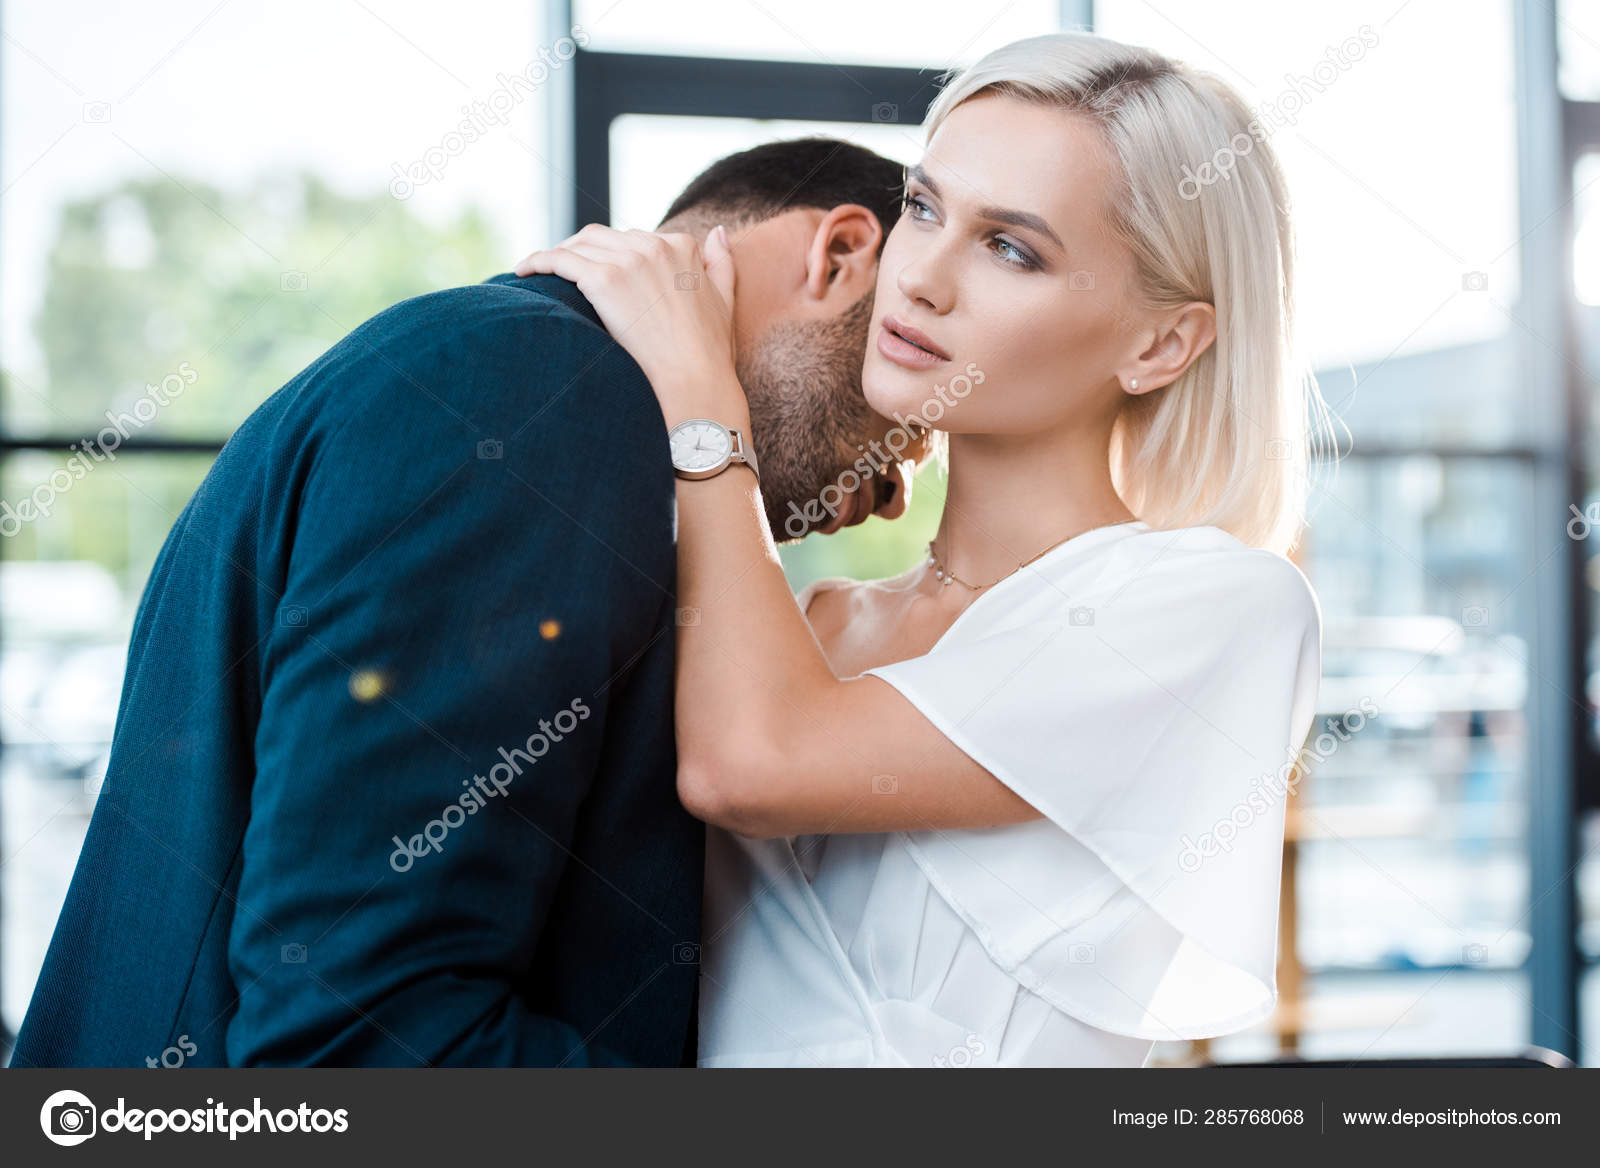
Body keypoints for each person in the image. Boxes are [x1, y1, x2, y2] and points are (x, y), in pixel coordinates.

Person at [513, 31, 1333, 1067]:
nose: (923, 279)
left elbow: (750, 766)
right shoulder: (816, 624)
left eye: (1012, 249)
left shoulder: (1215, 608)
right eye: (924, 207)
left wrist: (699, 388)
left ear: (1159, 343)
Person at [11, 137, 923, 1068]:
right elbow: (365, 1038)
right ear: (840, 257)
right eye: (915, 406)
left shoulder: (524, 374)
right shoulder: (538, 393)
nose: (901, 490)